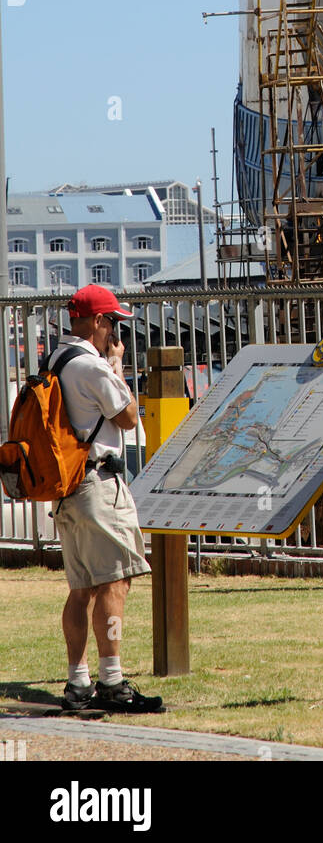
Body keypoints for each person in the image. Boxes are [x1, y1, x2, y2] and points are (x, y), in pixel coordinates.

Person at [50, 284, 164, 714]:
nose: (116, 332)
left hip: (68, 490)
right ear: (97, 322)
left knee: (81, 588)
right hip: (99, 486)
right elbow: (129, 418)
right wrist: (115, 366)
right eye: (113, 322)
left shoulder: (56, 360)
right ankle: (112, 681)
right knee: (115, 581)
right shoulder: (92, 367)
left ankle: (78, 684)